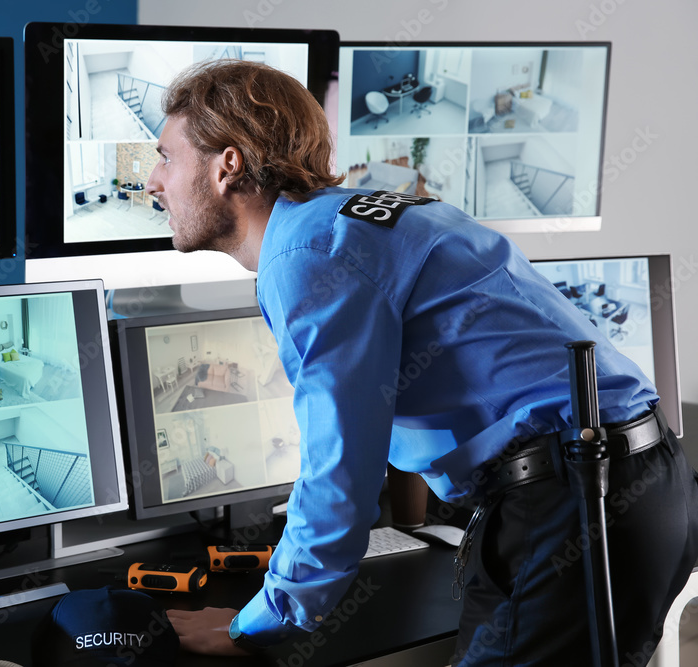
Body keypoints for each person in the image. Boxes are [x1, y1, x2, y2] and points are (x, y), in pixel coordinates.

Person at [145, 59, 698, 665]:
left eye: (166, 157)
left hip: (572, 501)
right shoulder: (362, 216)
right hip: (644, 479)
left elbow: (339, 471)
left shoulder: (306, 255)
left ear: (227, 165)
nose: (152, 181)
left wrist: (261, 620)